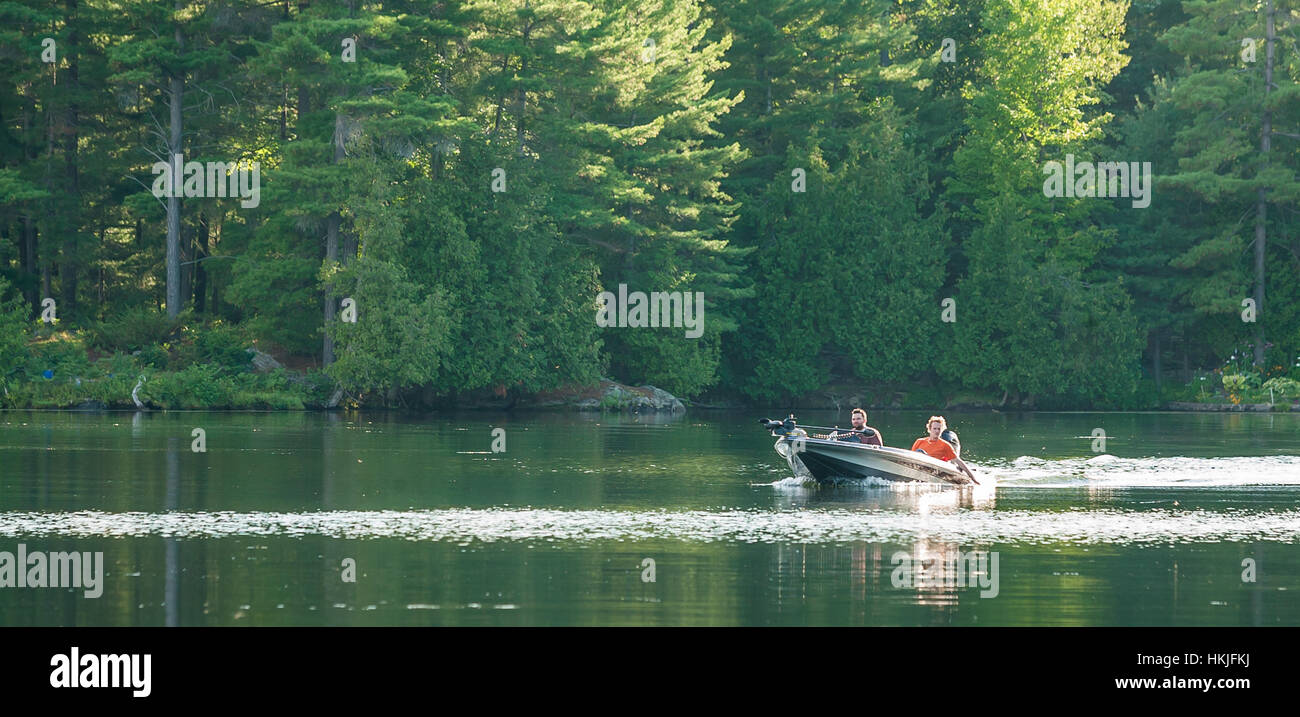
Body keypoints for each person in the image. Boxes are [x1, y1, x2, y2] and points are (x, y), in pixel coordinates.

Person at [911, 416, 976, 482]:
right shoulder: (919, 441)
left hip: (936, 469)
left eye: (939, 429)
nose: (937, 431)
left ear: (942, 430)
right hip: (919, 466)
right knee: (919, 452)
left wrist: (973, 478)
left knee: (920, 452)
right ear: (930, 429)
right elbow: (910, 457)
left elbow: (958, 461)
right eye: (935, 429)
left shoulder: (945, 445)